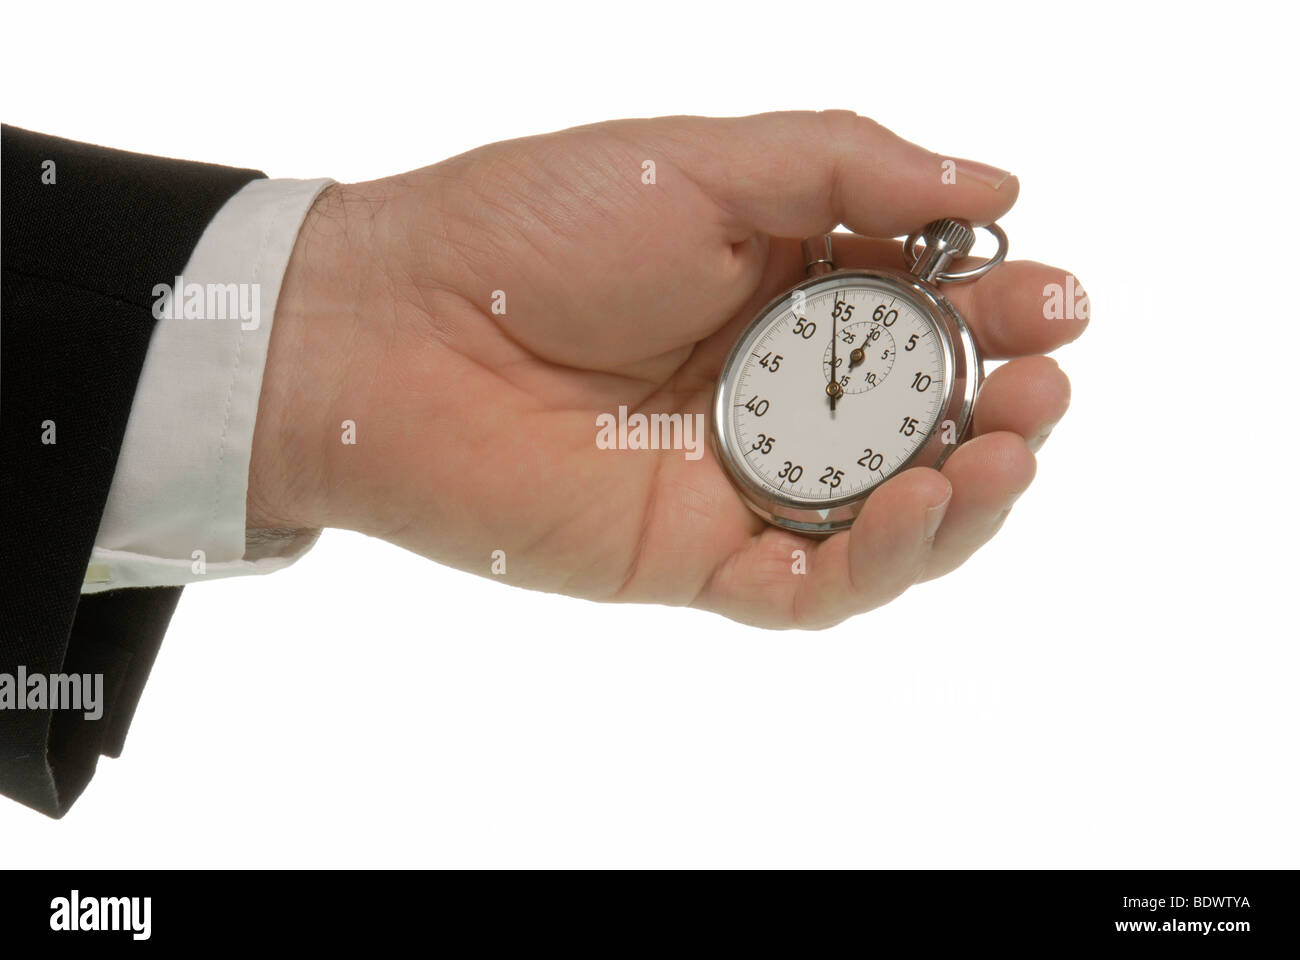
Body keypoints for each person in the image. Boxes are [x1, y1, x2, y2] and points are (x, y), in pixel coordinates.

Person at [0, 111, 1084, 817]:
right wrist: (348, 320)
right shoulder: (828, 323)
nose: (834, 386)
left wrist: (328, 341)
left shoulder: (858, 322)